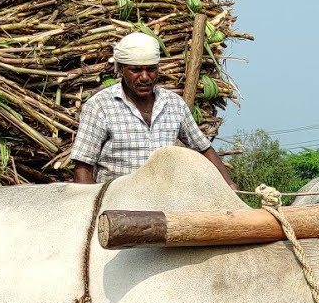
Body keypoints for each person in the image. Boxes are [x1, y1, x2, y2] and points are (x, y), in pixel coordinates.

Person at [70, 32, 237, 188]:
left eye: (151, 69)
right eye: (135, 70)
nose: (144, 77)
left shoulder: (174, 104)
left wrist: (229, 186)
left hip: (165, 204)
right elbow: (82, 168)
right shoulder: (100, 106)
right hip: (117, 208)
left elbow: (204, 148)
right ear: (121, 69)